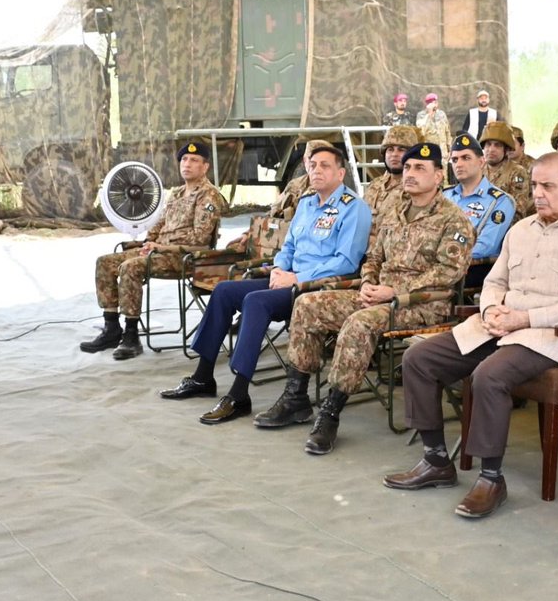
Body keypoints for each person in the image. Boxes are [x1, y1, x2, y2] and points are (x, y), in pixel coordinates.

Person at [384, 152, 558, 517]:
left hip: (551, 336)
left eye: (547, 186)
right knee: (419, 358)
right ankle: (436, 460)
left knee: (489, 376)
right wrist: (491, 309)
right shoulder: (521, 229)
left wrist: (524, 318)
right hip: (498, 325)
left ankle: (491, 478)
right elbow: (494, 282)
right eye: (535, 185)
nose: (537, 194)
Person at [279, 142, 472, 455]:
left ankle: (331, 412)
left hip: (421, 305)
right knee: (307, 304)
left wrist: (395, 293)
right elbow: (373, 256)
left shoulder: (454, 220)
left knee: (359, 323)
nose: (410, 173)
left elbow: (448, 273)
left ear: (439, 176)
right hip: (377, 296)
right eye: (407, 167)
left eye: (420, 168)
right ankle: (295, 396)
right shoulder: (395, 212)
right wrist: (368, 283)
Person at [161, 141, 372, 424]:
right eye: (312, 165)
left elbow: (346, 262)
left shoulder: (353, 208)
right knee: (224, 290)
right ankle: (203, 376)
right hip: (288, 280)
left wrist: (296, 278)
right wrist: (280, 270)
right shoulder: (307, 204)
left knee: (255, 301)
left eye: (325, 166)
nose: (316, 171)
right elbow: (289, 246)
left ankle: (239, 395)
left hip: (319, 288)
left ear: (340, 173)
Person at [80, 142, 226, 360]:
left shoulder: (208, 196)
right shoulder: (176, 194)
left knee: (130, 267)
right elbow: (158, 226)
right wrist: (148, 243)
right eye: (184, 159)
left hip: (184, 258)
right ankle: (112, 328)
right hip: (159, 252)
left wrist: (161, 247)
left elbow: (200, 239)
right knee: (105, 262)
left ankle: (131, 337)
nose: (187, 164)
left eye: (194, 160)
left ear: (205, 167)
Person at [443, 133, 515, 287]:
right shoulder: (444, 196)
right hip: (437, 265)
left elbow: (486, 246)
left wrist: (446, 257)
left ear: (482, 162)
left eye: (465, 158)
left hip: (472, 269)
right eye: (454, 160)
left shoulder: (499, 201)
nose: (459, 164)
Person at [363, 124, 419, 223]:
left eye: (401, 150)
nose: (394, 154)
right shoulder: (374, 185)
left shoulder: (416, 188)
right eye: (390, 149)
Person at [480, 121, 532, 217]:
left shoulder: (517, 172)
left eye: (497, 145)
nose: (491, 149)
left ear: (506, 149)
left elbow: (518, 212)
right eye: (488, 144)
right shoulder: (478, 169)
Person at [415, 93, 451, 157]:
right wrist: (429, 114)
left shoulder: (441, 114)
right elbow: (421, 132)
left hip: (443, 152)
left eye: (436, 102)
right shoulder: (421, 115)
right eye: (433, 102)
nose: (435, 104)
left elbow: (447, 131)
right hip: (429, 151)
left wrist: (449, 147)